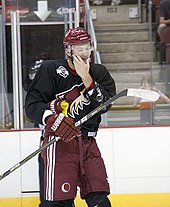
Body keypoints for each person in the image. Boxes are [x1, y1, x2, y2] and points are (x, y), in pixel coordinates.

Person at [25, 27, 116, 207]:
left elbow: (104, 106)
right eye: (78, 48)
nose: (84, 52)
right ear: (68, 49)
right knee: (58, 203)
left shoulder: (99, 73)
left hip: (88, 145)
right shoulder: (51, 70)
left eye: (87, 47)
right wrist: (51, 118)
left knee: (99, 199)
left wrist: (87, 80)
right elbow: (32, 106)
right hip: (59, 145)